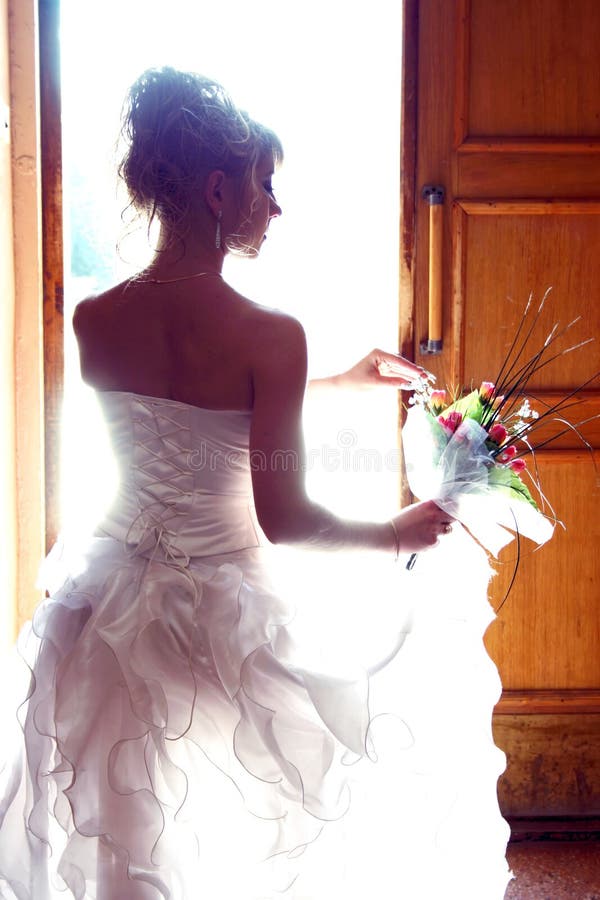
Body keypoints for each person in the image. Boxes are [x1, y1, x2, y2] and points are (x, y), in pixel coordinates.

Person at [0, 67, 464, 900]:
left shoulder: (94, 319)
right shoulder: (271, 337)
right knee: (252, 824)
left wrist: (330, 384)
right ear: (219, 189)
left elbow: (182, 409)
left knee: (136, 828)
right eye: (265, 182)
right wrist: (396, 531)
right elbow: (283, 515)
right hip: (225, 613)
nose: (275, 206)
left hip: (108, 610)